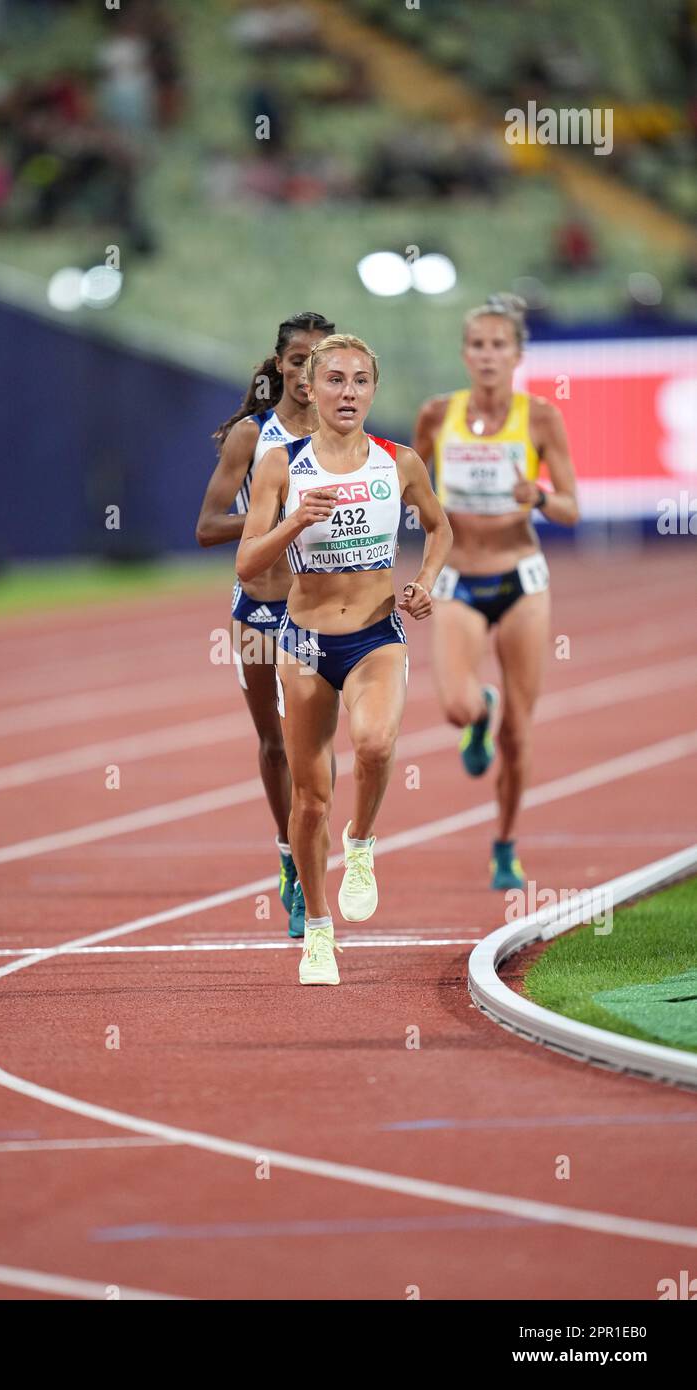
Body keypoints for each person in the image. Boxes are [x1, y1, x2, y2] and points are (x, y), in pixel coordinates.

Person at [236, 334, 452, 985]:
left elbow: (440, 527)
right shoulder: (281, 463)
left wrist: (426, 582)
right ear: (312, 388)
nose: (347, 391)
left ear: (373, 391)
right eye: (334, 380)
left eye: (360, 380)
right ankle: (320, 936)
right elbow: (248, 568)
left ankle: (361, 844)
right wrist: (296, 522)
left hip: (374, 636)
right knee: (308, 801)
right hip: (302, 643)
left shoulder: (400, 462)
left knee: (377, 743)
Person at [412, 293, 579, 890]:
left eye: (498, 345)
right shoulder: (436, 415)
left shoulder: (539, 418)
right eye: (477, 345)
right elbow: (409, 483)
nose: (487, 356)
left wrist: (538, 496)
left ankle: (505, 844)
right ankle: (476, 712)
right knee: (457, 706)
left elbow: (569, 508)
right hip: (459, 579)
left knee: (519, 730)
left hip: (520, 580)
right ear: (464, 354)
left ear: (517, 354)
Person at [196, 312, 335, 937]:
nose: (308, 373)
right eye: (298, 359)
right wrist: (275, 518)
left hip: (318, 611)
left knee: (315, 751)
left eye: (320, 361)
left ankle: (312, 874)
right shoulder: (252, 436)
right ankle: (288, 857)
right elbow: (206, 527)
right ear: (280, 364)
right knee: (276, 744)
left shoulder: (343, 437)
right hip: (258, 607)